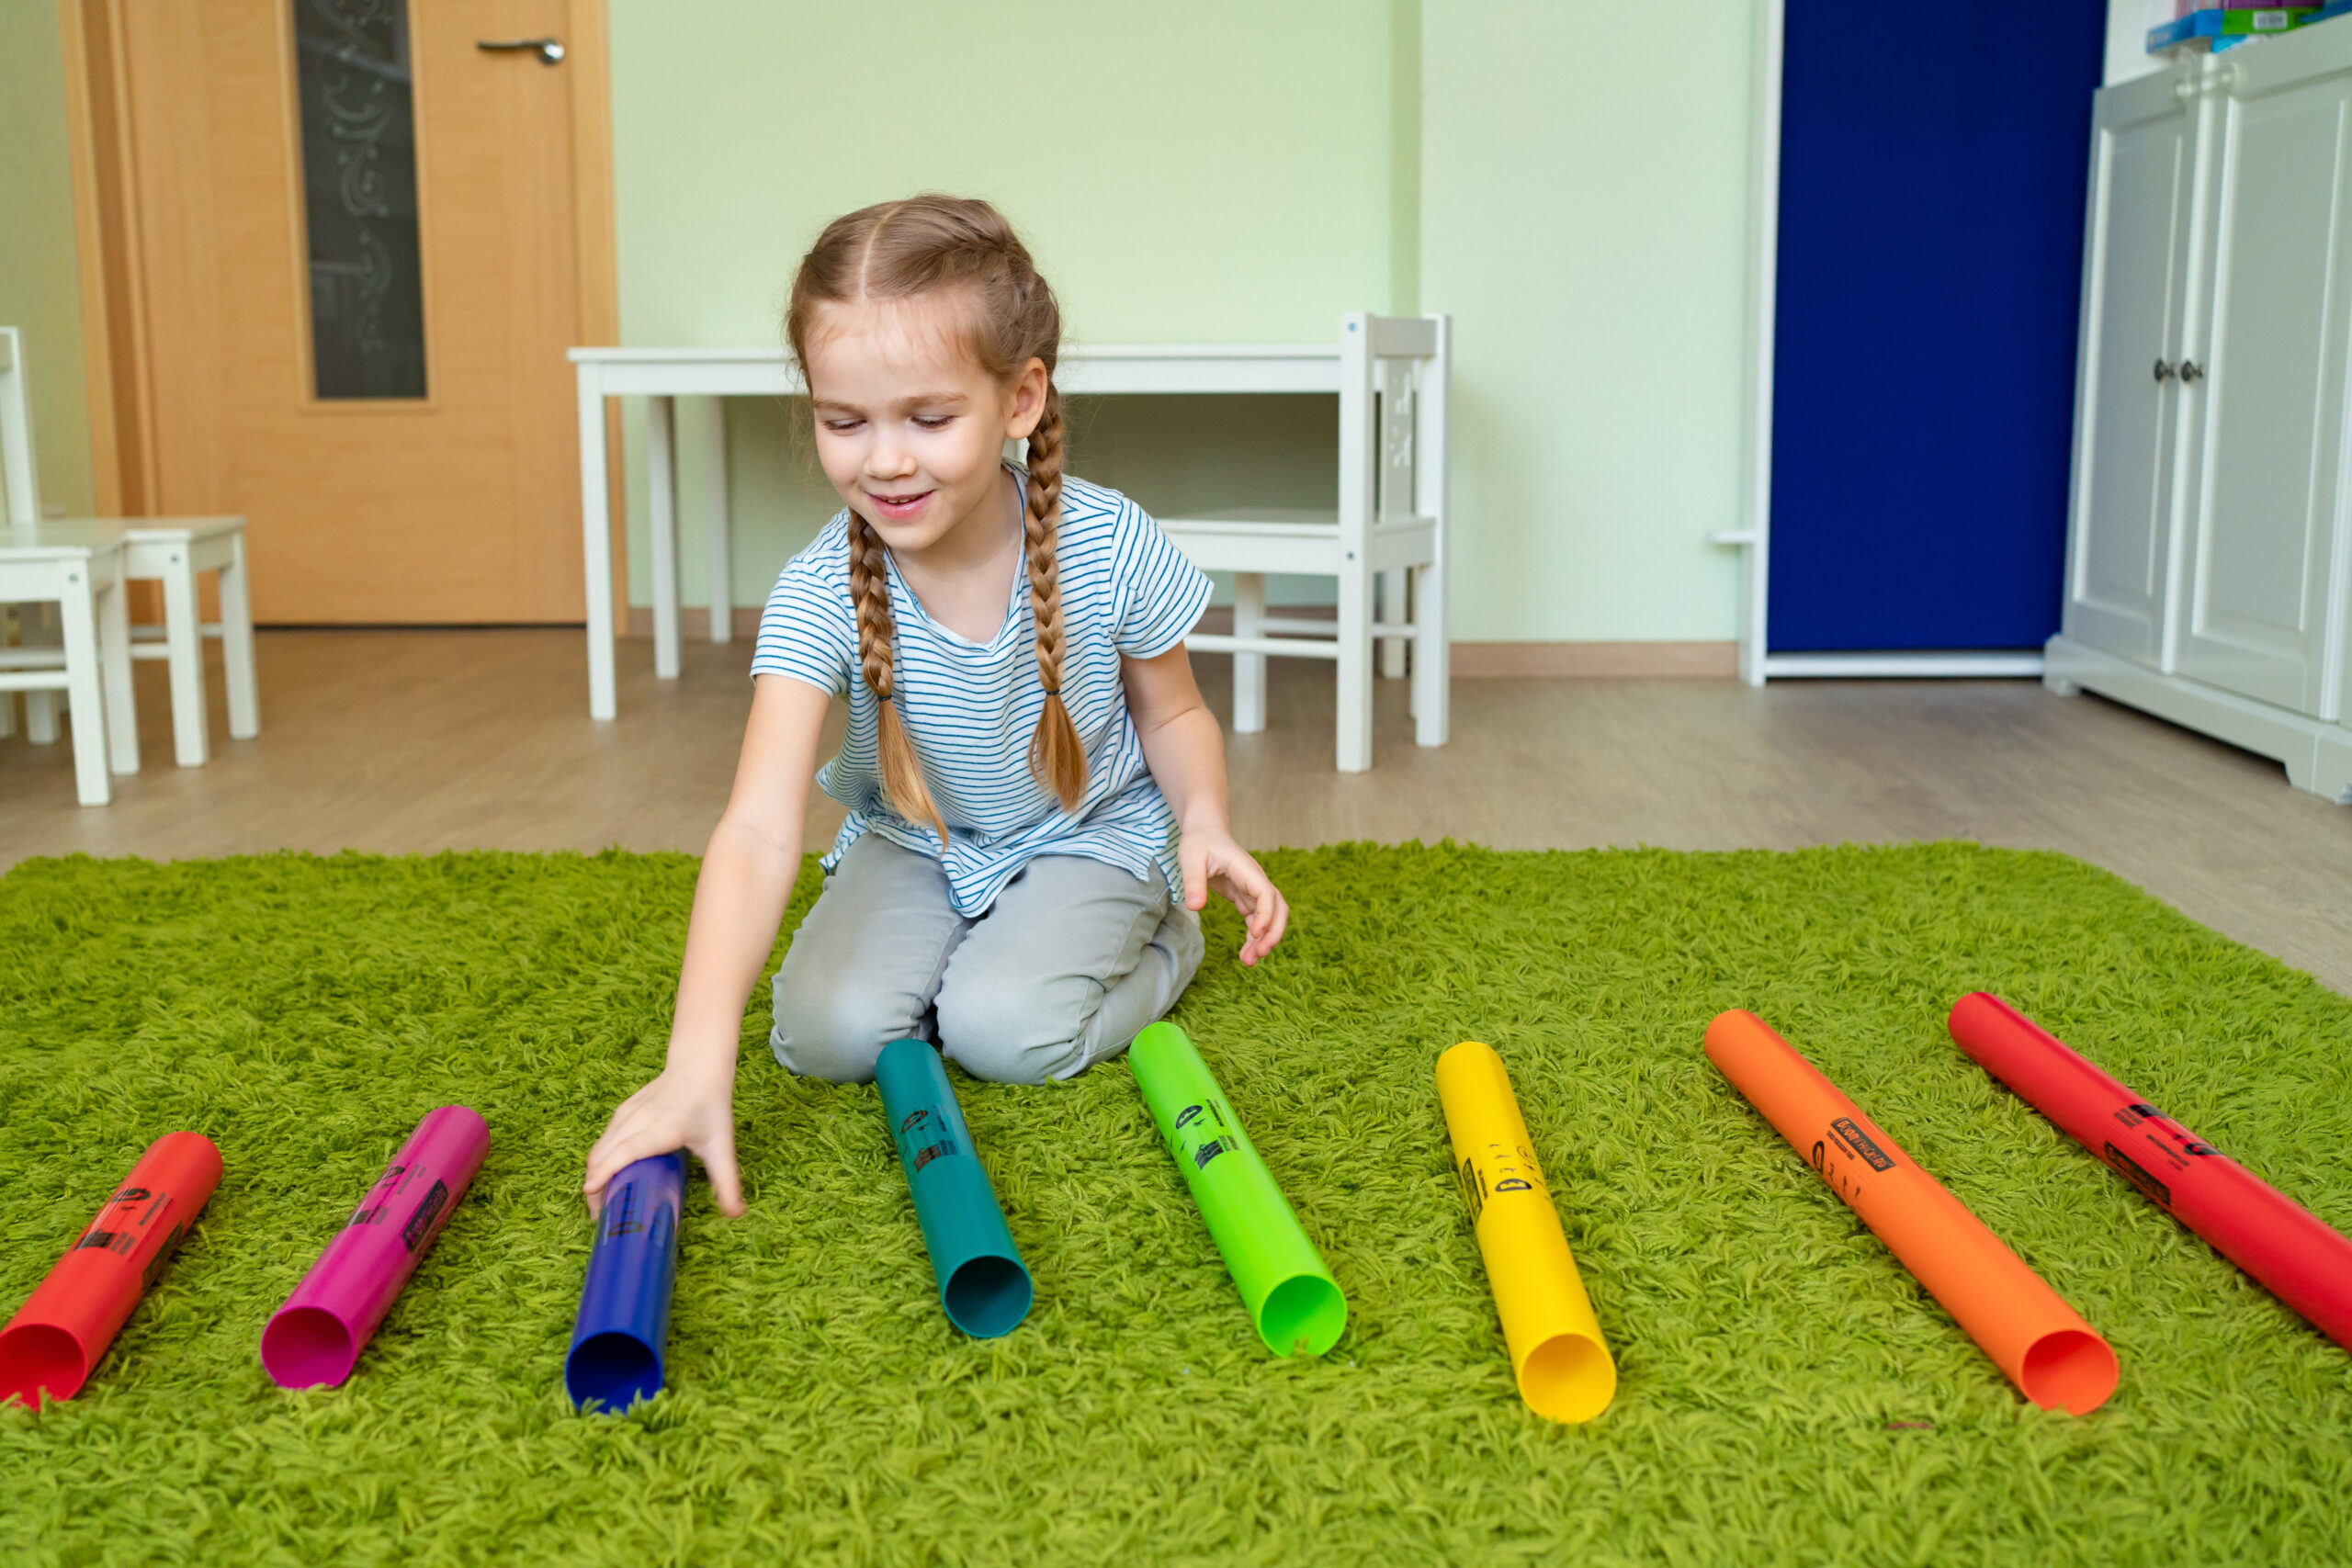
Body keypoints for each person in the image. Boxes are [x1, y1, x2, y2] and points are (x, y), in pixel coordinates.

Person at [583, 195, 1289, 1215]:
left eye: (927, 417)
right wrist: (695, 1068)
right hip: (915, 839)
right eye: (843, 421)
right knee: (822, 1037)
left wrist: (1207, 823)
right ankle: (974, 948)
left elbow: (1172, 715)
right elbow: (755, 825)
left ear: (1019, 399)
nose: (885, 460)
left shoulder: (1109, 542)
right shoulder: (820, 586)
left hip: (1086, 833)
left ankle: (1161, 943)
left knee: (1003, 1035)